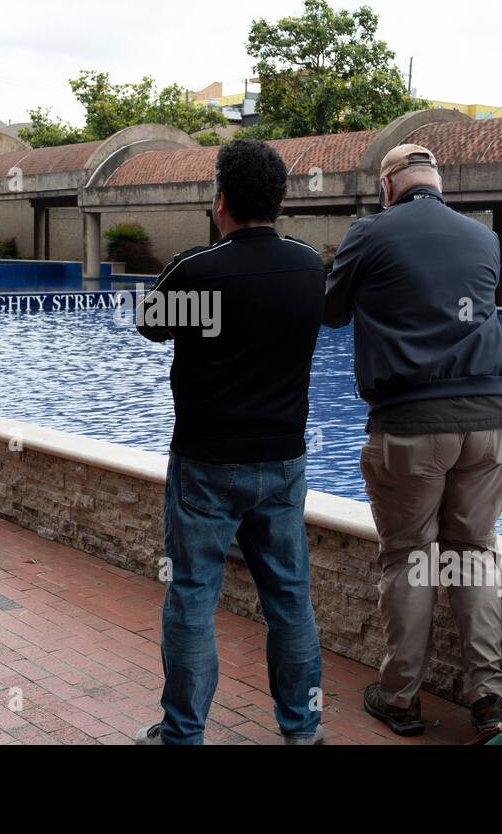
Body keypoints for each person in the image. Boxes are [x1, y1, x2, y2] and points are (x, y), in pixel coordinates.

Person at [134, 139, 326, 745]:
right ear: (280, 200)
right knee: (290, 599)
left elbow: (150, 324)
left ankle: (183, 735)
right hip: (282, 460)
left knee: (192, 598)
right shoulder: (308, 267)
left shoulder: (199, 270)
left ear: (220, 200)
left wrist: (203, 255)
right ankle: (302, 730)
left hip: (206, 463)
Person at [324, 143, 502, 737]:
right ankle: (488, 697)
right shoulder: (483, 237)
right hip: (491, 417)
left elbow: (330, 310)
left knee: (410, 555)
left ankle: (402, 697)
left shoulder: (371, 232)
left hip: (411, 421)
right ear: (438, 182)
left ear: (388, 186)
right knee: (473, 553)